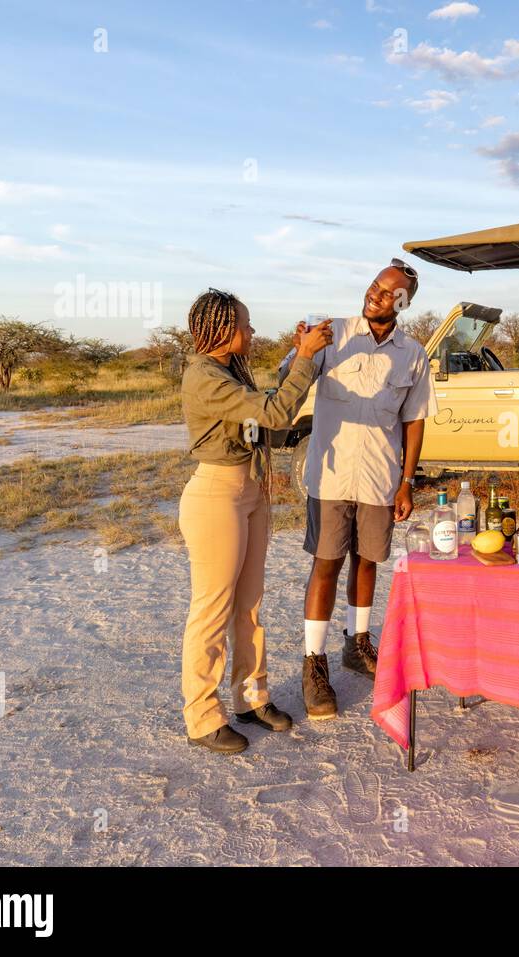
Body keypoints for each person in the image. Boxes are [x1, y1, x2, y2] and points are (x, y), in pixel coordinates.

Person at [178, 288, 333, 754]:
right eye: (245, 324)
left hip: (249, 490)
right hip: (216, 496)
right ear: (224, 330)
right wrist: (306, 357)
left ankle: (251, 698)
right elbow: (274, 410)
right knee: (211, 609)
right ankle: (202, 717)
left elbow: (269, 418)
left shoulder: (230, 369)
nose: (251, 330)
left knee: (249, 606)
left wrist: (295, 360)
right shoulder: (203, 375)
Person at [279, 259, 435, 720]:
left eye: (389, 293)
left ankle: (357, 643)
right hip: (329, 477)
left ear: (404, 303)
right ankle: (314, 663)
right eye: (374, 287)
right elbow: (291, 379)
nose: (376, 296)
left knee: (367, 561)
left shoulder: (413, 353)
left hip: (379, 478)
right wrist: (303, 351)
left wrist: (406, 482)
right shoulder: (333, 334)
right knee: (325, 564)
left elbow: (415, 420)